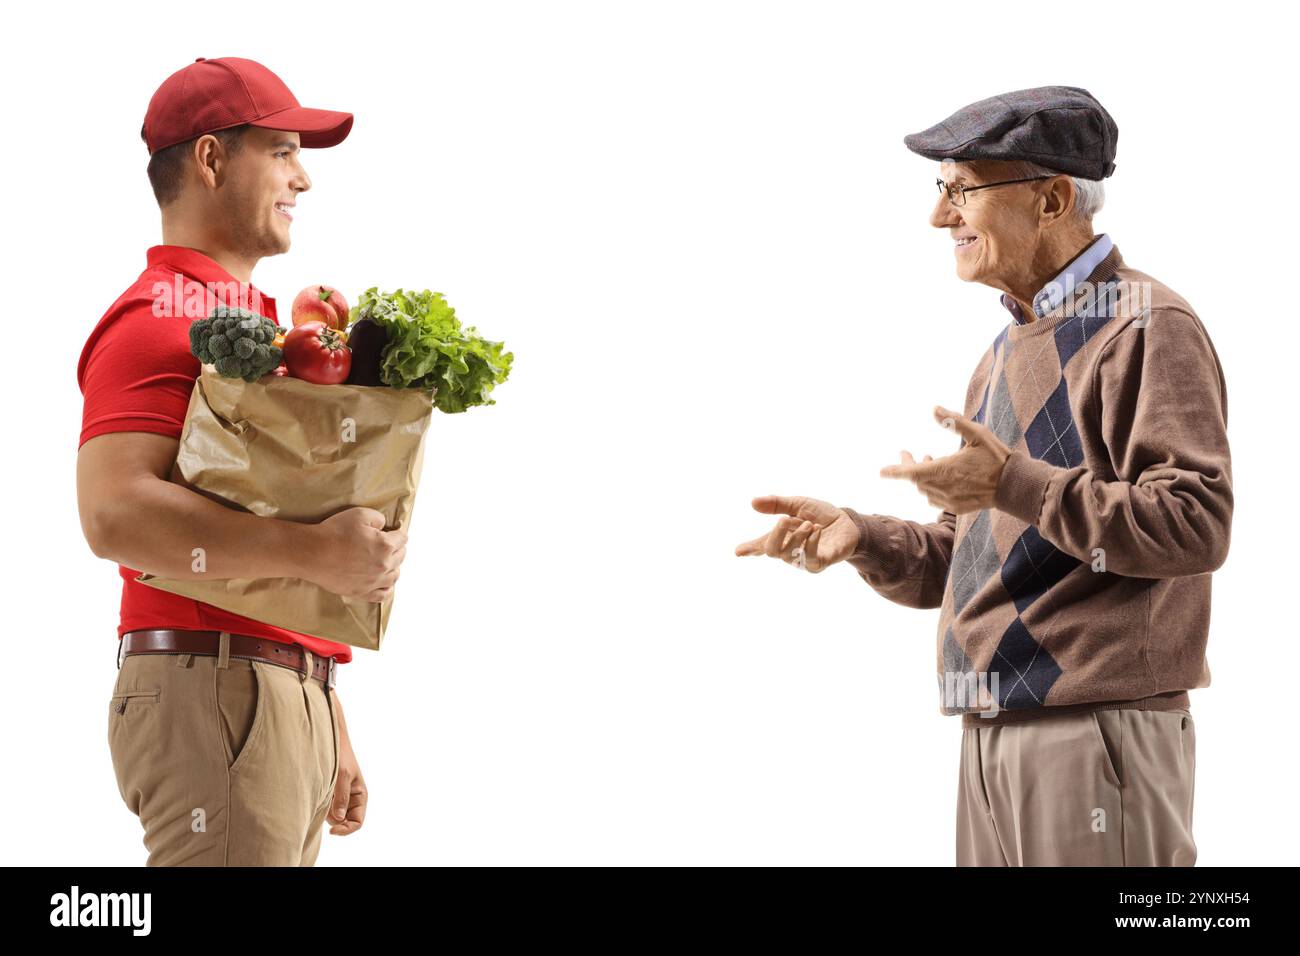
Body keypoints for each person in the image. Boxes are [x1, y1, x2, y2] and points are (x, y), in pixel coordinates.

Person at [736, 86, 1232, 866]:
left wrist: (1011, 484)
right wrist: (862, 536)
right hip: (993, 732)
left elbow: (1194, 525)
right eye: (943, 191)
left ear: (1053, 199)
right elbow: (971, 554)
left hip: (1093, 734)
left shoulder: (1147, 324)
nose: (941, 217)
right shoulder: (1003, 353)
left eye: (963, 190)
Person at [77, 57, 407, 865]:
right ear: (212, 159)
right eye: (284, 150)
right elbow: (113, 515)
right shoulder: (158, 319)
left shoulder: (251, 329)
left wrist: (322, 705)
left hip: (263, 692)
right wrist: (319, 555)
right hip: (216, 690)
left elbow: (268, 510)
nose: (304, 179)